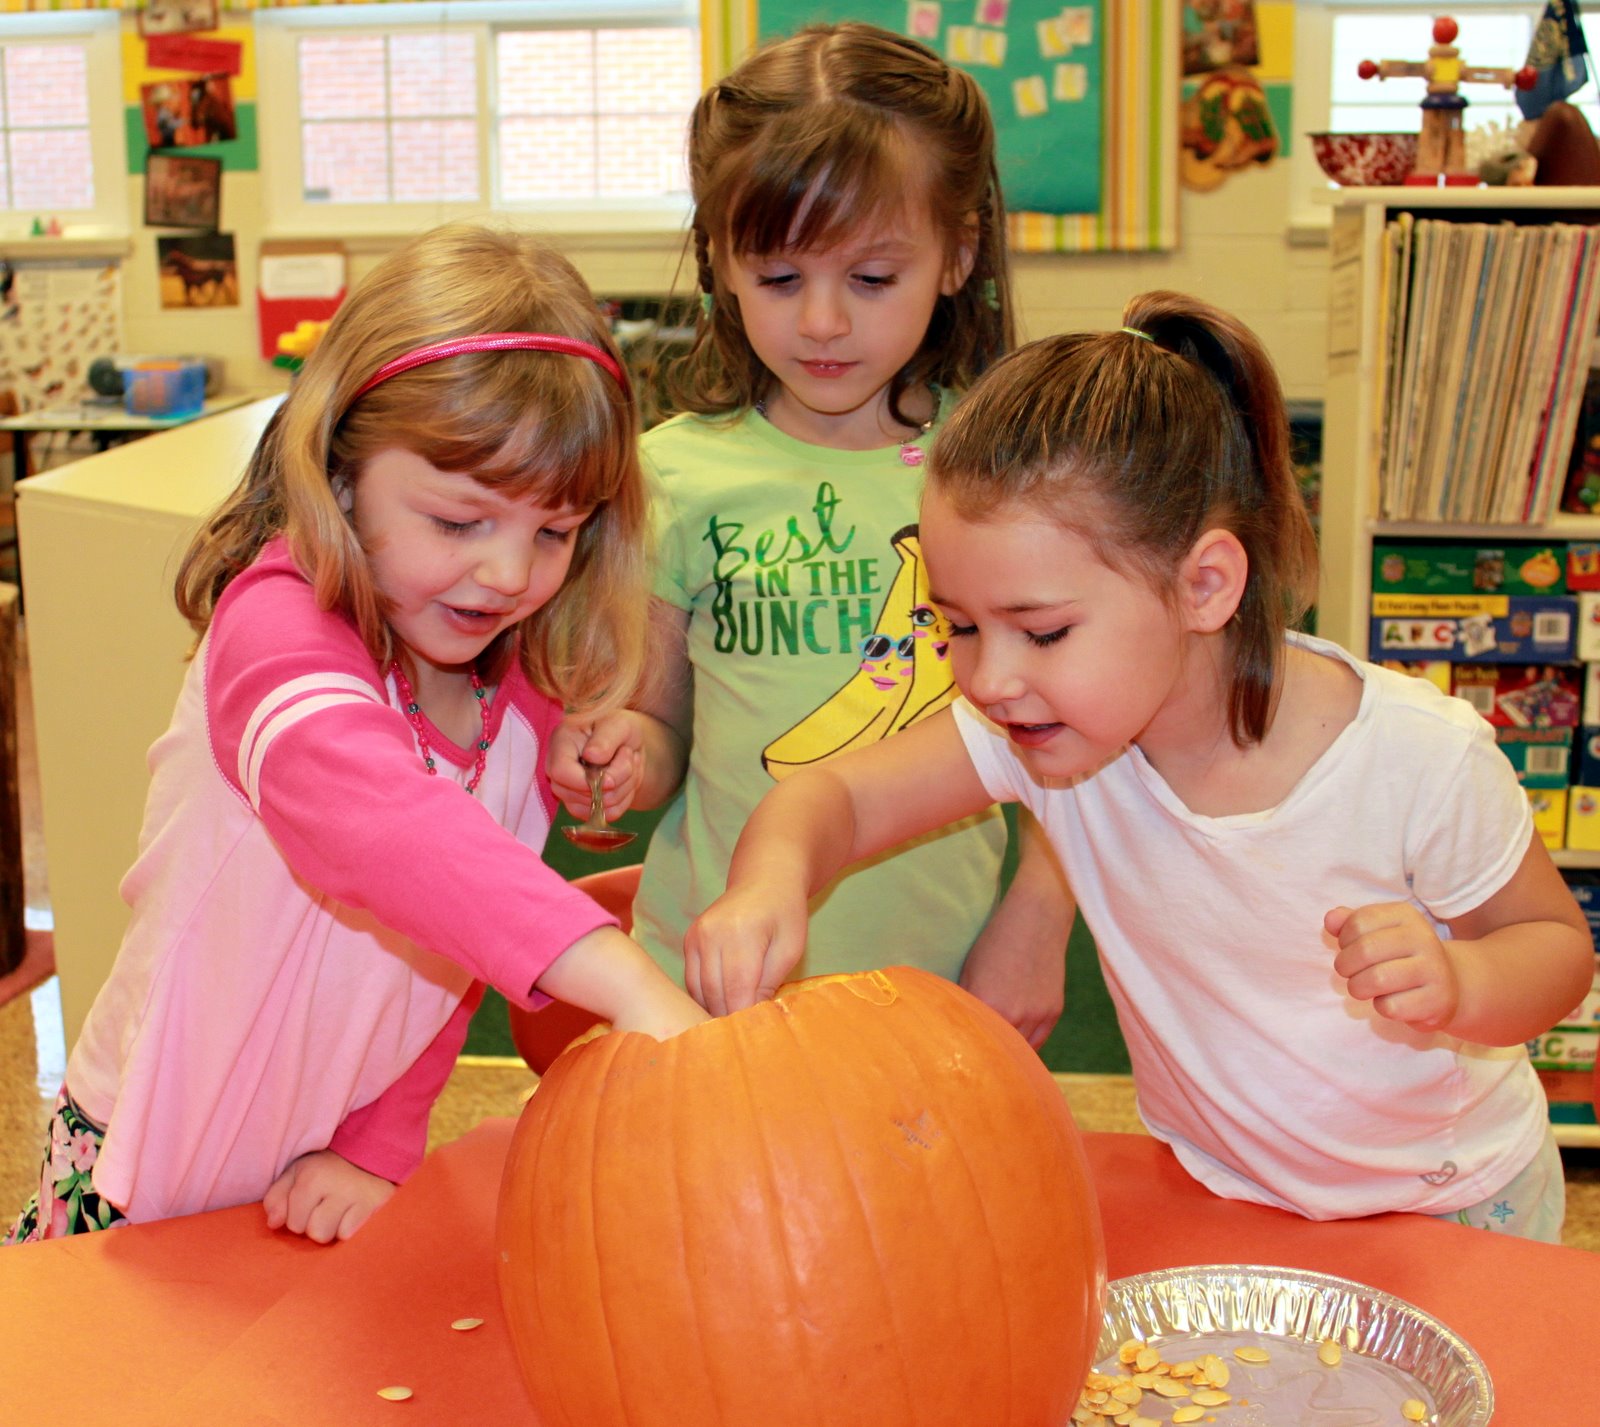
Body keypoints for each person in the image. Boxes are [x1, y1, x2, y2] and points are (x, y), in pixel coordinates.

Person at [685, 290, 1594, 1241]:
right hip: (1228, 1190)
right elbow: (834, 797)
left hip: (1452, 1203)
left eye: (1042, 630)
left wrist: (1461, 982)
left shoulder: (1419, 758)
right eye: (955, 625)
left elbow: (1557, 951)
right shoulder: (1041, 732)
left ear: (1205, 585)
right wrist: (770, 882)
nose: (990, 677)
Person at [3, 223, 708, 1248]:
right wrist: (627, 982)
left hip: (306, 1163)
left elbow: (446, 953)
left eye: (552, 531)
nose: (511, 573)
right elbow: (388, 831)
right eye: (461, 521)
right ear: (339, 473)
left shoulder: (517, 695)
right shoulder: (276, 632)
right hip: (144, 1160)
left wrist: (379, 1141)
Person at [548, 22, 1074, 1043]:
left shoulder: (1017, 466)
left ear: (957, 253)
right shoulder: (673, 476)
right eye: (781, 279)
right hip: (705, 988)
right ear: (721, 264)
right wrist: (619, 755)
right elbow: (661, 725)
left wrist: (1039, 913)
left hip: (943, 981)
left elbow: (1079, 738)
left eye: (871, 280)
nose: (823, 322)